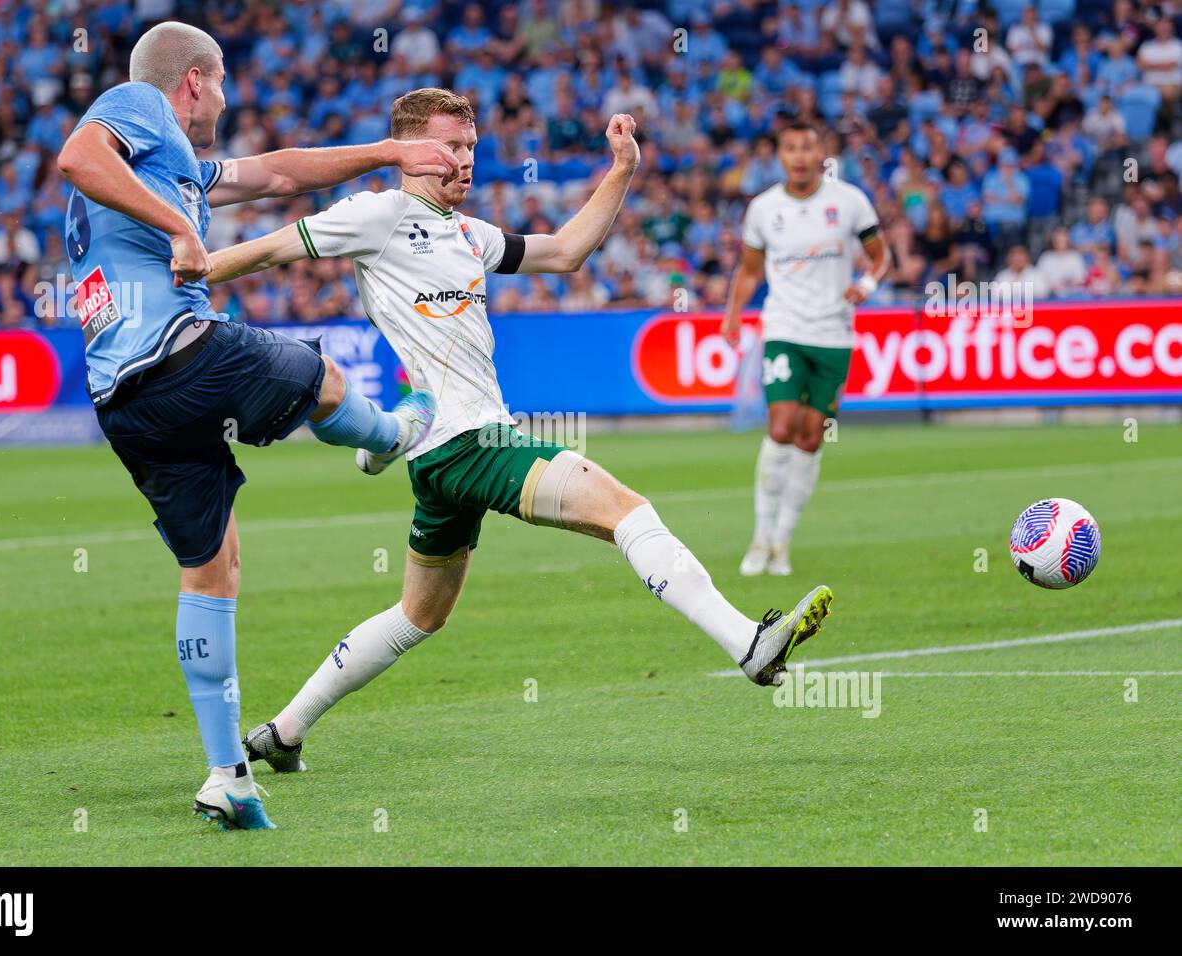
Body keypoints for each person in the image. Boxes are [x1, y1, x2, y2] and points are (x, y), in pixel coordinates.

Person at [204, 88, 834, 774]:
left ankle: (286, 730)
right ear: (411, 148)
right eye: (450, 146)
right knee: (626, 509)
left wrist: (620, 169)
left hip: (441, 453)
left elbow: (564, 252)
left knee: (420, 615)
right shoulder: (377, 215)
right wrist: (187, 276)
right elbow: (264, 251)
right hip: (471, 443)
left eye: (471, 147)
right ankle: (747, 641)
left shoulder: (469, 234)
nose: (465, 160)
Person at [55, 22, 462, 830]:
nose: (231, 97)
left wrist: (388, 152)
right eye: (225, 81)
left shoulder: (175, 165)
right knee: (323, 377)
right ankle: (394, 437)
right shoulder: (136, 105)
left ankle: (226, 777)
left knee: (214, 569)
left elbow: (277, 173)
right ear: (196, 81)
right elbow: (75, 157)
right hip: (178, 351)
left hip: (125, 404)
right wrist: (179, 229)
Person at [720, 120, 889, 577]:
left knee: (812, 436)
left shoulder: (849, 202)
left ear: (821, 153)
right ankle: (758, 537)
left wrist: (868, 282)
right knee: (780, 427)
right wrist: (734, 314)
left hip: (834, 335)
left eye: (806, 147)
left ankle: (781, 542)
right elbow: (751, 270)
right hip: (785, 328)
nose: (798, 155)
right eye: (790, 148)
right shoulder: (763, 208)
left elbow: (881, 255)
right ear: (779, 155)